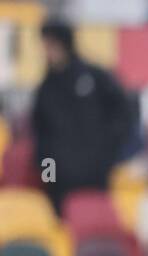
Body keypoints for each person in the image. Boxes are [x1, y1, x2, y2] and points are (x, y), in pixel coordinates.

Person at [31, 18, 135, 213]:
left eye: (51, 44)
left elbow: (123, 113)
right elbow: (41, 136)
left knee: (95, 222)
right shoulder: (46, 88)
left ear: (65, 44)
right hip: (61, 181)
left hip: (96, 174)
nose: (47, 51)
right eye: (44, 45)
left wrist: (108, 154)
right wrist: (48, 175)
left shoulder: (96, 77)